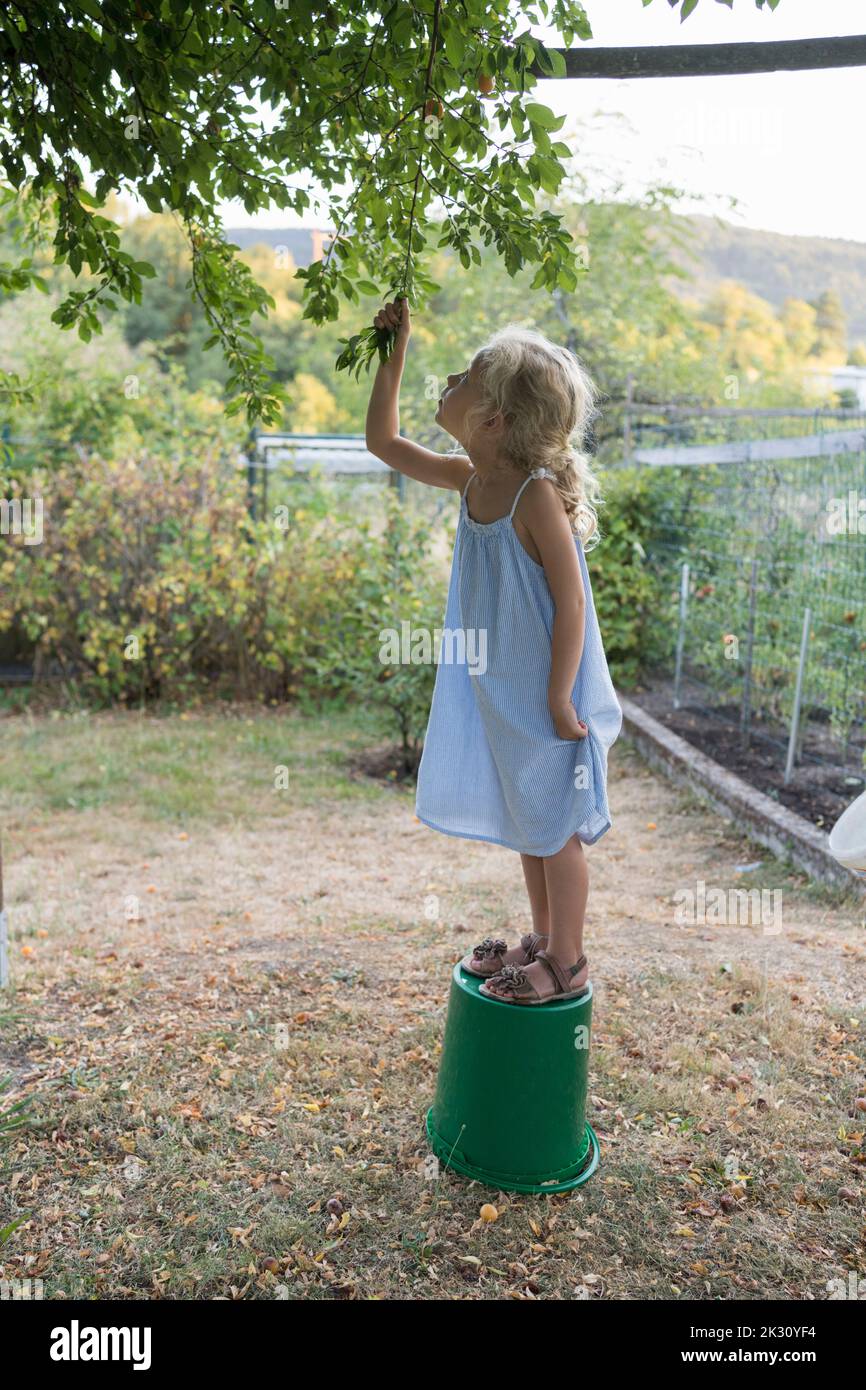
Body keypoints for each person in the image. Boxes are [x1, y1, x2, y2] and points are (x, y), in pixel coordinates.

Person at [365, 297, 622, 1005]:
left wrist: (558, 695)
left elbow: (571, 603)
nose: (451, 378)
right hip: (504, 691)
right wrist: (394, 354)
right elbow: (384, 444)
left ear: (495, 419)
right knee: (530, 823)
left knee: (557, 829)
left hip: (548, 692)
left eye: (468, 376)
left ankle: (568, 961)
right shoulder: (472, 479)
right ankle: (541, 941)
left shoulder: (535, 496)